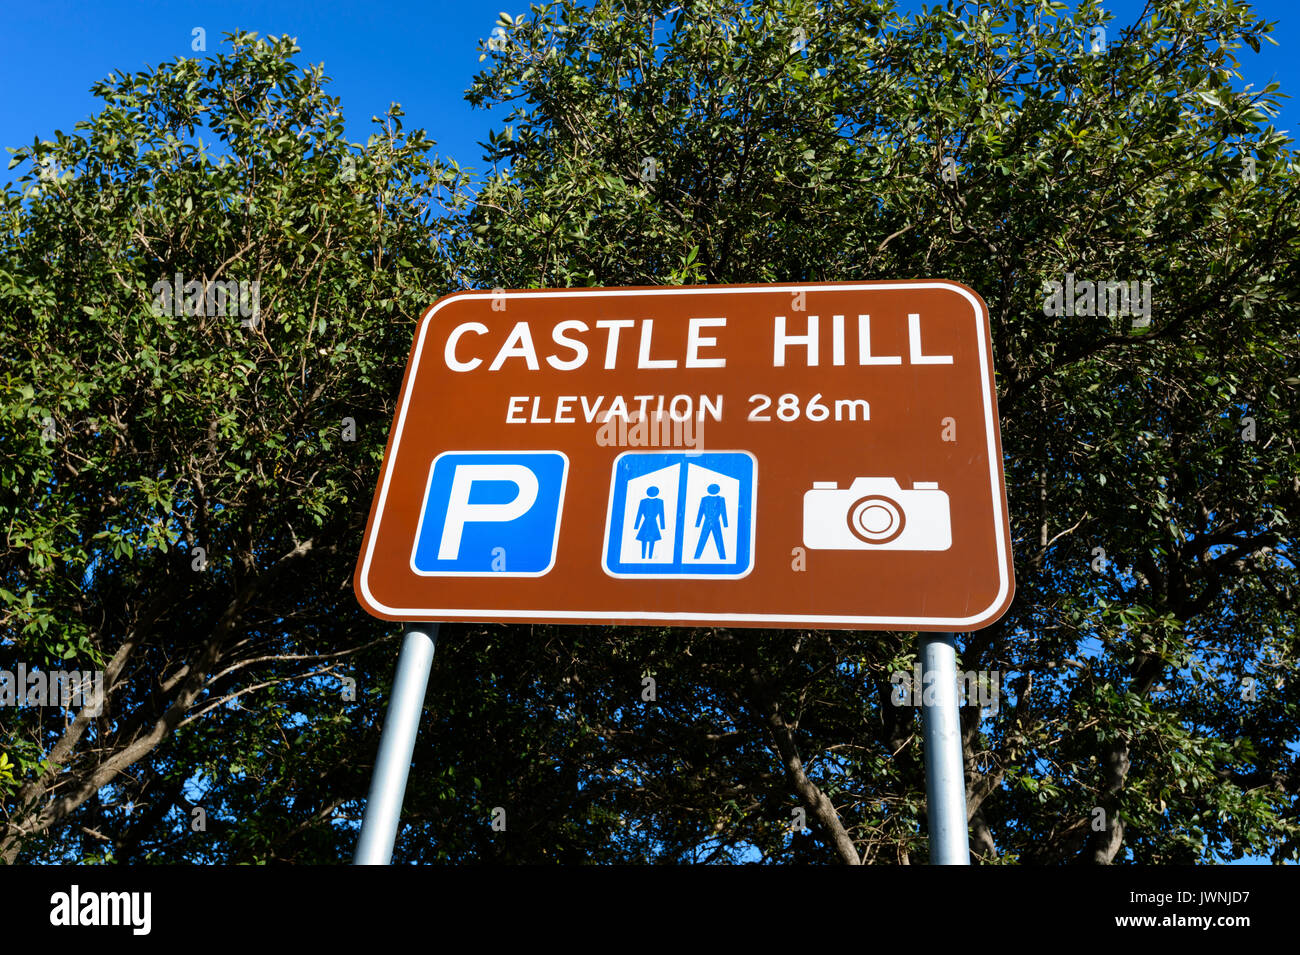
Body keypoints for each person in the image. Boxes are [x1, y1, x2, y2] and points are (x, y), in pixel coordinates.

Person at [693, 483, 727, 560]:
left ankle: (723, 557)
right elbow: (700, 511)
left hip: (716, 522)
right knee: (702, 539)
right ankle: (696, 557)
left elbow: (723, 511)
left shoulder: (721, 499)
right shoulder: (704, 499)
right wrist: (697, 523)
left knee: (719, 539)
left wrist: (725, 524)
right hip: (707, 522)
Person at [634, 486, 666, 559]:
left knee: (652, 539)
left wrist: (662, 526)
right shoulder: (643, 501)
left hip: (654, 523)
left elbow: (662, 514)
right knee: (644, 539)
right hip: (645, 523)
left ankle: (650, 557)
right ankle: (643, 556)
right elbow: (639, 514)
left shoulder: (660, 501)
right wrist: (636, 526)